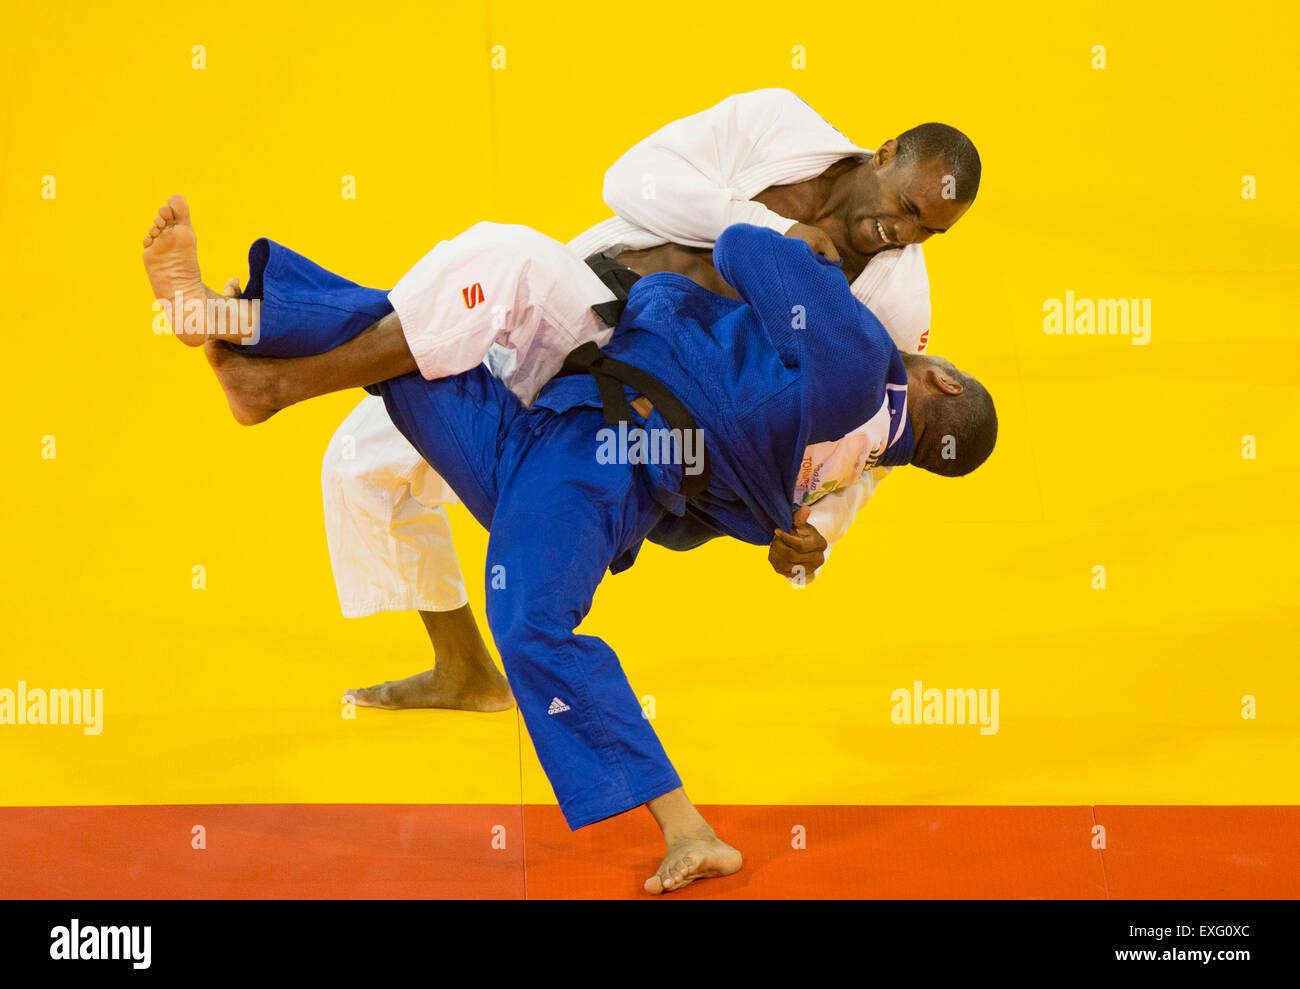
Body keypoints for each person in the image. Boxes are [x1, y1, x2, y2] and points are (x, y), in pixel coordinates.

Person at [143, 196, 997, 892]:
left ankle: (690, 830)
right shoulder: (832, 483)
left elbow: (741, 245)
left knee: (530, 621)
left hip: (595, 454)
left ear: (941, 378)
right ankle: (235, 338)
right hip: (575, 447)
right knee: (411, 345)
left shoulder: (857, 358)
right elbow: (704, 521)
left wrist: (803, 253)